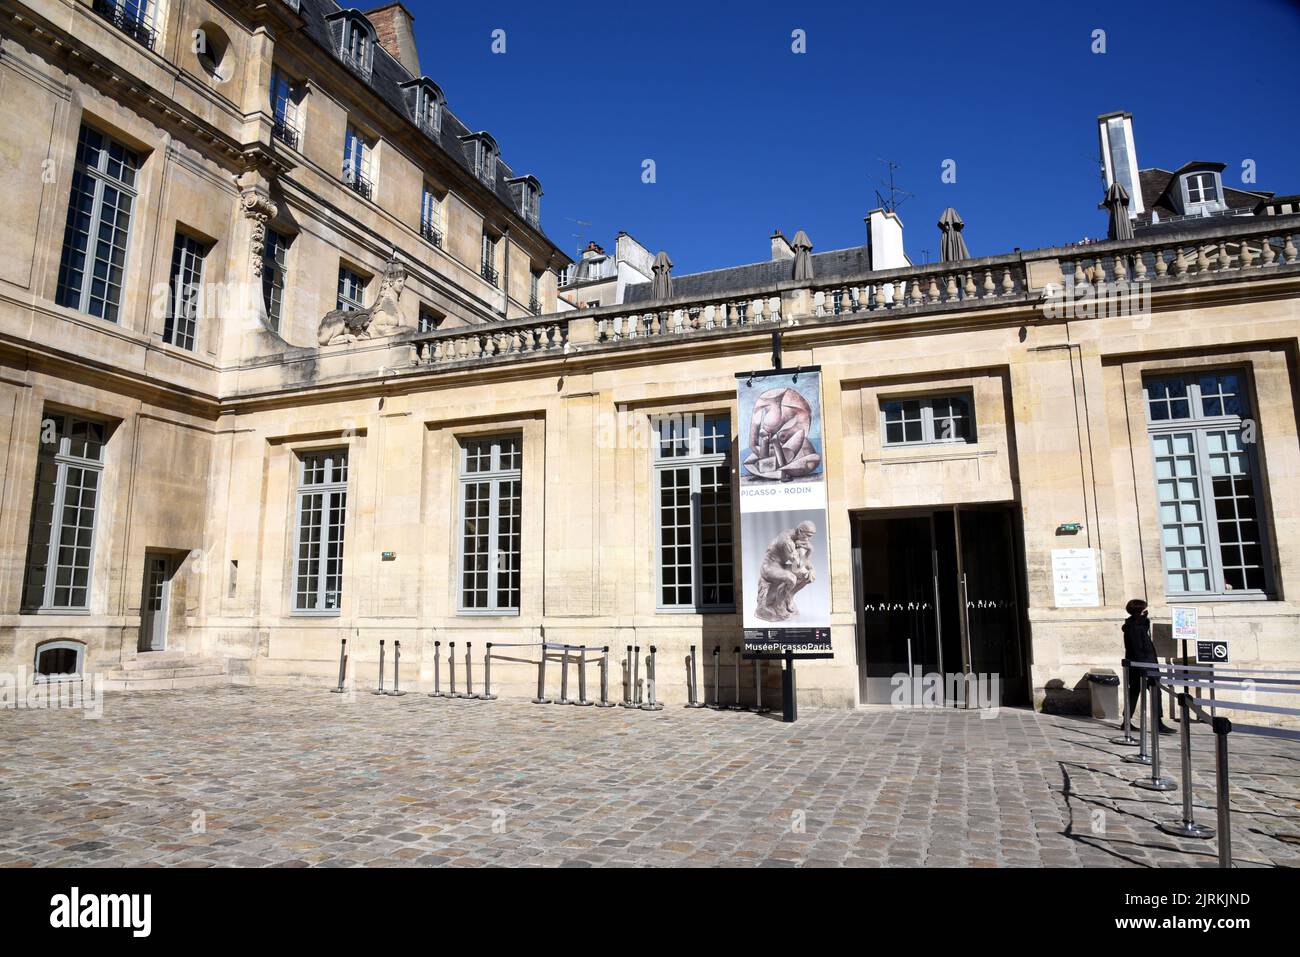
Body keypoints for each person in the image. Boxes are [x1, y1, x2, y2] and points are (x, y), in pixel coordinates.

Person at [1123, 598, 1173, 734]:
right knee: (1155, 691)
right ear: (1140, 610)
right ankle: (1158, 722)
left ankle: (1126, 721)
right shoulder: (1136, 627)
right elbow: (1140, 649)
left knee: (1134, 692)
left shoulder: (1135, 625)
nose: (1147, 611)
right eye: (1144, 609)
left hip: (1140, 665)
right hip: (1144, 666)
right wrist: (1147, 668)